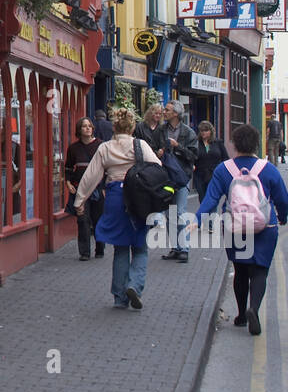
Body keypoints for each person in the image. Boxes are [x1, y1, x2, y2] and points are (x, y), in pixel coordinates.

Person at [196, 123, 288, 335]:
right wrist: (282, 217)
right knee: (259, 271)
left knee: (240, 270)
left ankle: (240, 315)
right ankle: (254, 309)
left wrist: (197, 219)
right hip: (265, 226)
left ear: (234, 144)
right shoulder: (268, 169)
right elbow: (283, 199)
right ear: (257, 144)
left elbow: (211, 198)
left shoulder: (224, 169)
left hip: (234, 226)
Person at [74, 106, 162, 310]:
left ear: (114, 127)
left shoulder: (105, 148)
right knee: (140, 248)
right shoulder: (140, 145)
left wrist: (80, 201)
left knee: (121, 248)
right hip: (138, 199)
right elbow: (157, 168)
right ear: (132, 128)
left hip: (115, 198)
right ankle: (134, 285)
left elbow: (91, 176)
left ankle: (119, 297)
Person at [160, 100, 199, 263]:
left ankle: (184, 249)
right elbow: (153, 146)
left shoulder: (188, 133)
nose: (164, 112)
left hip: (181, 178)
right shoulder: (161, 131)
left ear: (176, 113)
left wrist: (177, 147)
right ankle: (175, 248)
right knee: (170, 214)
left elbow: (194, 156)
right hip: (165, 177)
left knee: (181, 213)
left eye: (167, 110)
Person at [65, 117, 105, 260]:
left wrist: (105, 187)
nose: (87, 128)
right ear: (79, 130)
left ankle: (100, 248)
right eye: (84, 126)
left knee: (98, 219)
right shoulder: (73, 148)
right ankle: (85, 252)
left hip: (97, 188)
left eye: (89, 126)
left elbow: (106, 168)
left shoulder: (101, 146)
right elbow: (68, 168)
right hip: (80, 188)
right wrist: (68, 183)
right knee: (82, 220)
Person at [193, 121, 229, 202]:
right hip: (200, 175)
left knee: (213, 198)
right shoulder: (196, 143)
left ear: (211, 131)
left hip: (214, 174)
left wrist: (222, 171)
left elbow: (225, 158)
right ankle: (205, 214)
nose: (203, 132)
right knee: (203, 198)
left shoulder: (218, 143)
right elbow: (192, 157)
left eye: (206, 130)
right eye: (201, 130)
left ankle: (212, 214)